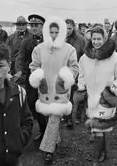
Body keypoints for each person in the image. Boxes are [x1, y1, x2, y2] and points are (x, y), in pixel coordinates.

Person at [28, 17, 79, 164]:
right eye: (51, 32)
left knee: (55, 117)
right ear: (47, 32)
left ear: (62, 32)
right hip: (44, 89)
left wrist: (65, 78)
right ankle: (54, 138)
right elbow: (34, 65)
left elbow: (74, 67)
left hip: (60, 90)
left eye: (57, 31)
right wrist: (38, 77)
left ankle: (48, 150)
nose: (54, 35)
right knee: (48, 116)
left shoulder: (70, 49)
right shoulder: (39, 49)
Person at [73, 26, 117, 165]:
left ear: (105, 38)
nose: (96, 42)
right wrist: (81, 88)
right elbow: (81, 75)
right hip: (91, 98)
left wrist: (111, 91)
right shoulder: (85, 57)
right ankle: (104, 153)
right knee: (97, 128)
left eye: (99, 39)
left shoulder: (115, 58)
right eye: (94, 39)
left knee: (102, 128)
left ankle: (97, 156)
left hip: (105, 98)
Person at [0, 41, 33, 166]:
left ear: (9, 65)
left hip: (13, 160)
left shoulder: (19, 92)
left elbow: (27, 121)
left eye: (1, 65)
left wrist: (19, 140)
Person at [15, 14, 47, 143]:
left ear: (42, 26)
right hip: (32, 77)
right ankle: (43, 129)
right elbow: (20, 58)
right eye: (32, 25)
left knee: (48, 104)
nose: (34, 28)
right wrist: (18, 71)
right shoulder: (26, 41)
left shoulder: (49, 40)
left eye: (37, 25)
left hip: (47, 77)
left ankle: (50, 133)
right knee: (33, 103)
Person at [65, 18, 87, 127]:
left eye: (69, 28)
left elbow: (86, 54)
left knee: (80, 96)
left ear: (74, 27)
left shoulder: (81, 40)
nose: (67, 30)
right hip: (65, 72)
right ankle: (68, 118)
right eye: (65, 28)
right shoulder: (61, 39)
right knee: (67, 96)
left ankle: (78, 115)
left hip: (79, 71)